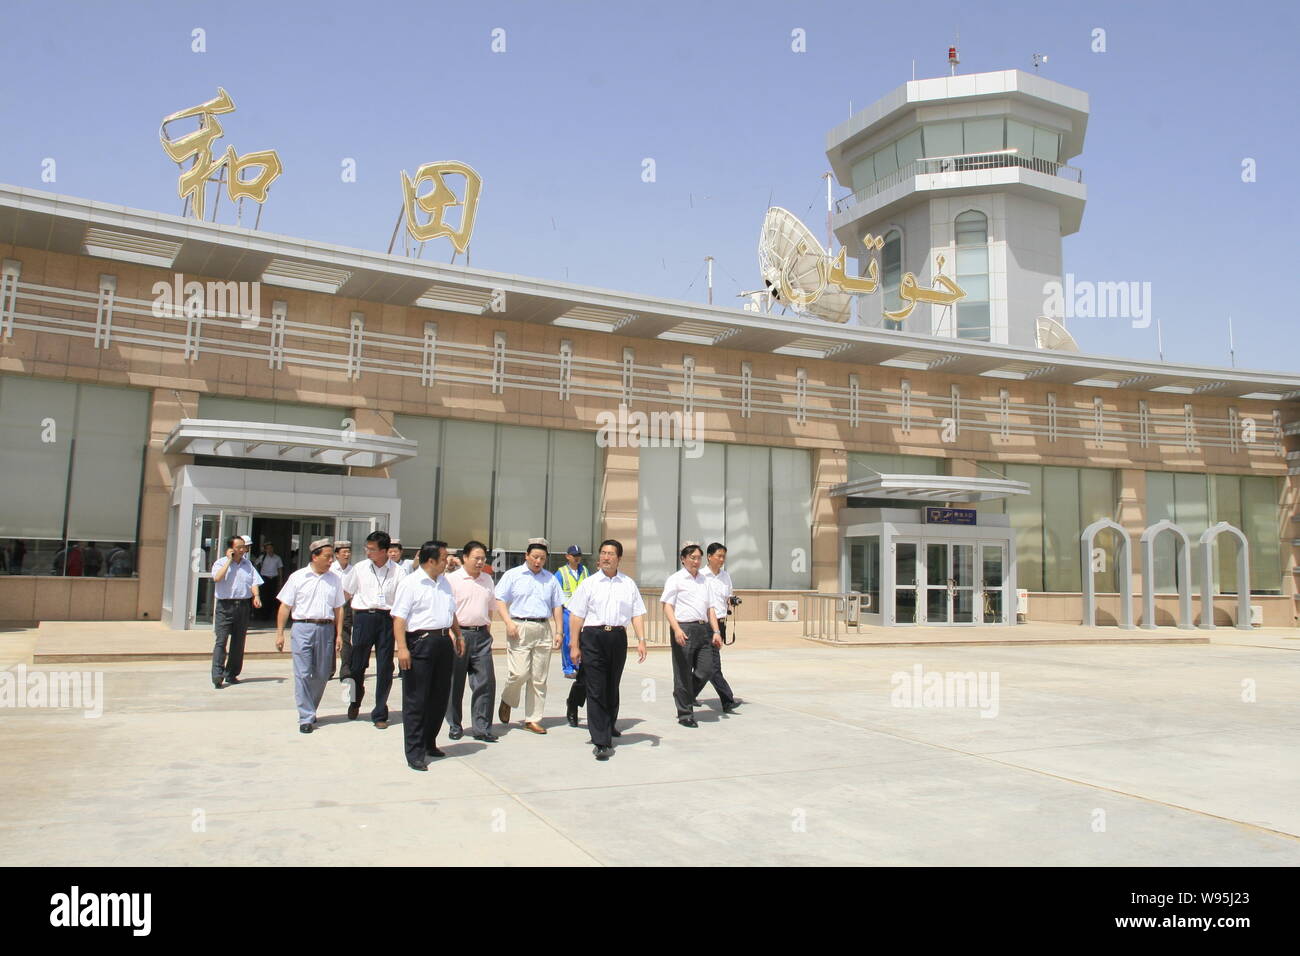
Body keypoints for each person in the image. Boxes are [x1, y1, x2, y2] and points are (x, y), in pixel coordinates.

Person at [566, 539, 647, 760]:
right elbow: (576, 616)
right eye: (603, 553)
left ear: (619, 558)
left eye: (611, 554)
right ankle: (600, 740)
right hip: (593, 636)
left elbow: (637, 613)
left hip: (617, 637)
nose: (605, 557)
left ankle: (609, 724)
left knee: (612, 684)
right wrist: (574, 645)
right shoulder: (589, 584)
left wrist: (641, 639)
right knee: (596, 687)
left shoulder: (628, 584)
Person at [392, 540, 464, 771]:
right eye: (444, 558)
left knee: (439, 697)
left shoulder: (444, 582)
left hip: (443, 641)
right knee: (416, 699)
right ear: (431, 560)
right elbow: (399, 619)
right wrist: (402, 648)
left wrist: (458, 635)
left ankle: (429, 741)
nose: (448, 561)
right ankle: (414, 751)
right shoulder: (410, 583)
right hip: (420, 643)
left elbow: (450, 611)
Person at [494, 538, 564, 734]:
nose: (538, 561)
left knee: (539, 678)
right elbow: (500, 599)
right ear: (526, 556)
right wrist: (508, 622)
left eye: (542, 558)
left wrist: (559, 631)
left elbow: (557, 605)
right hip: (519, 627)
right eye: (534, 557)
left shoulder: (550, 578)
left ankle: (532, 719)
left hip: (543, 628)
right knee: (519, 673)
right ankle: (508, 699)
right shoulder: (513, 575)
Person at [275, 538, 345, 733]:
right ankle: (305, 716)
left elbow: (339, 608)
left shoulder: (334, 579)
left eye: (332, 557)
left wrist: (339, 634)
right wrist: (279, 633)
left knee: (323, 674)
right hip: (302, 628)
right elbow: (285, 606)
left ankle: (310, 708)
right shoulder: (298, 577)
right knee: (303, 673)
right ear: (315, 557)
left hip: (325, 630)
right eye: (328, 557)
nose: (331, 561)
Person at [341, 531, 405, 729]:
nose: (367, 552)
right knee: (357, 664)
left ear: (385, 551)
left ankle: (380, 711)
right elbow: (346, 593)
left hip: (387, 619)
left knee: (385, 667)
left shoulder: (398, 572)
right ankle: (355, 701)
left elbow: (403, 600)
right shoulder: (359, 568)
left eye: (372, 549)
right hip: (363, 618)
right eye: (366, 548)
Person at [660, 542, 722, 728]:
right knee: (682, 672)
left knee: (707, 669)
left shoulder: (705, 580)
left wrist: (716, 631)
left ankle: (684, 694)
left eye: (698, 558)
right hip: (684, 628)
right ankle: (685, 713)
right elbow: (667, 606)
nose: (695, 561)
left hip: (704, 630)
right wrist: (676, 629)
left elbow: (711, 608)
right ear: (683, 559)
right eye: (692, 558)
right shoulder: (676, 579)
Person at [445, 540, 499, 743]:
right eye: (476, 558)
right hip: (459, 635)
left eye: (483, 558)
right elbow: (447, 608)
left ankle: (482, 727)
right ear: (464, 558)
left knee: (485, 682)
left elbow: (491, 607)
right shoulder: (452, 580)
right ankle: (454, 725)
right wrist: (453, 634)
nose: (480, 562)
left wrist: (488, 629)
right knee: (455, 683)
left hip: (482, 636)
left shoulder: (487, 580)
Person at [210, 535, 263, 689]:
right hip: (225, 607)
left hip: (243, 606)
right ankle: (217, 675)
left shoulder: (248, 565)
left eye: (244, 547)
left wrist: (256, 596)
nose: (242, 550)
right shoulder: (220, 563)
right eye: (239, 547)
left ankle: (231, 674)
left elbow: (254, 582)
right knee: (221, 640)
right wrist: (228, 561)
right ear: (231, 548)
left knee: (238, 642)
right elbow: (217, 578)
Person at [699, 542, 743, 713]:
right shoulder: (701, 576)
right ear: (709, 556)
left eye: (724, 556)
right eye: (719, 556)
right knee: (712, 664)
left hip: (721, 622)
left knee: (703, 664)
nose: (722, 559)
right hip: (706, 624)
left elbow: (727, 596)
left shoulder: (725, 576)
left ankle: (687, 694)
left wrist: (732, 600)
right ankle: (727, 699)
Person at [557, 545, 588, 678]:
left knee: (582, 639)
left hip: (583, 611)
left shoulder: (585, 571)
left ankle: (579, 665)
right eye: (574, 556)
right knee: (568, 639)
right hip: (568, 611)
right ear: (568, 556)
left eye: (579, 556)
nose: (577, 558)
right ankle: (568, 668)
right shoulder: (561, 572)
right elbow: (556, 593)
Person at [330, 540, 354, 683]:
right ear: (336, 554)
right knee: (329, 638)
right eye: (343, 552)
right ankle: (329, 669)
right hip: (330, 606)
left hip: (346, 606)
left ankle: (345, 669)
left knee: (345, 637)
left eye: (348, 552)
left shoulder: (353, 570)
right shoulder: (330, 569)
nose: (347, 554)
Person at [257, 543, 284, 620]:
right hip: (264, 578)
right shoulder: (262, 557)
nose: (269, 550)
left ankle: (270, 614)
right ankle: (263, 615)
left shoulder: (277, 558)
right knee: (264, 597)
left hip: (273, 579)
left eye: (271, 548)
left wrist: (280, 581)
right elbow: (256, 564)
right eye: (268, 548)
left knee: (272, 597)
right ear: (265, 550)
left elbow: (280, 569)